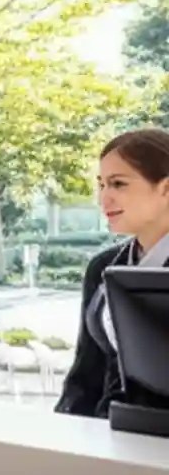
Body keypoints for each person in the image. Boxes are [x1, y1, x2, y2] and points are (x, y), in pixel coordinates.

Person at [56, 128, 169, 418]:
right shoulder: (103, 267)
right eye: (102, 185)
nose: (104, 198)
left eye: (118, 184)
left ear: (166, 188)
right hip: (109, 439)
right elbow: (85, 374)